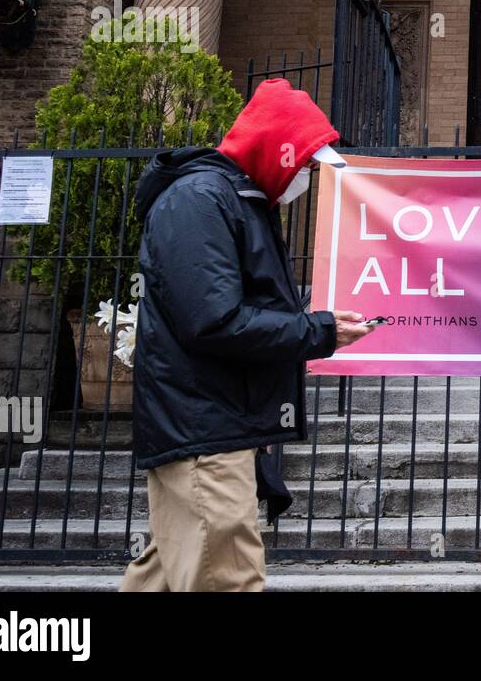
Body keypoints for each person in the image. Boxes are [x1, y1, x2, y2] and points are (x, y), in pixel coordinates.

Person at [120, 79, 372, 591]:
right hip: (205, 427)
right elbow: (214, 322)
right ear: (274, 148)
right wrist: (317, 331)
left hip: (211, 422)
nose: (306, 174)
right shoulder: (201, 201)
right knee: (227, 577)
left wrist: (315, 328)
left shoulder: (236, 201)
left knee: (167, 575)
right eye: (303, 161)